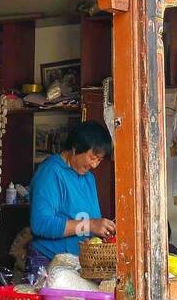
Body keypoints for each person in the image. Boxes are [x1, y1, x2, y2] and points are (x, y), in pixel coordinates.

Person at [27, 119, 115, 282]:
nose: (95, 165)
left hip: (77, 267)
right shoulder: (51, 173)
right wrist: (90, 225)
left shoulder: (88, 178)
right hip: (48, 263)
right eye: (92, 157)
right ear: (75, 148)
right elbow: (40, 224)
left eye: (99, 160)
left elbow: (91, 220)